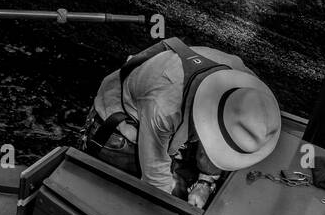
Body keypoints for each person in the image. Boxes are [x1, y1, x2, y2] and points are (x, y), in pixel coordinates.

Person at [83, 38, 281, 205]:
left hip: (167, 112)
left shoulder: (246, 88)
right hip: (124, 126)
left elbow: (229, 133)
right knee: (134, 203)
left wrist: (205, 183)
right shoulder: (164, 107)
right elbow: (155, 181)